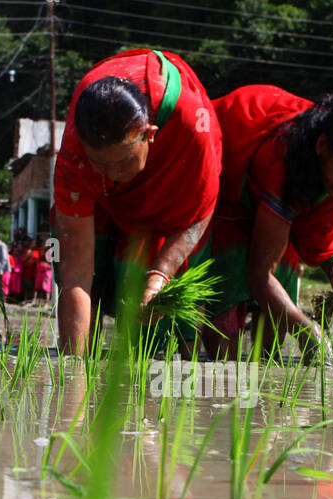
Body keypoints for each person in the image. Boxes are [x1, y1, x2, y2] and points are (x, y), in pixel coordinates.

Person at [202, 85, 333, 359]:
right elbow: (259, 274)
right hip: (228, 184)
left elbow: (324, 235)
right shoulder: (284, 156)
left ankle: (261, 378)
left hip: (281, 198)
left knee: (281, 289)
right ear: (321, 147)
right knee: (228, 287)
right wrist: (307, 329)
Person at [53, 49, 222, 353]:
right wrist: (71, 373)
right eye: (100, 164)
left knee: (156, 338)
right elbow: (75, 273)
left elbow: (202, 210)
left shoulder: (192, 126)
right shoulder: (75, 154)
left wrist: (160, 275)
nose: (112, 174)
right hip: (105, 206)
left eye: (122, 164)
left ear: (150, 135)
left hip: (164, 205)